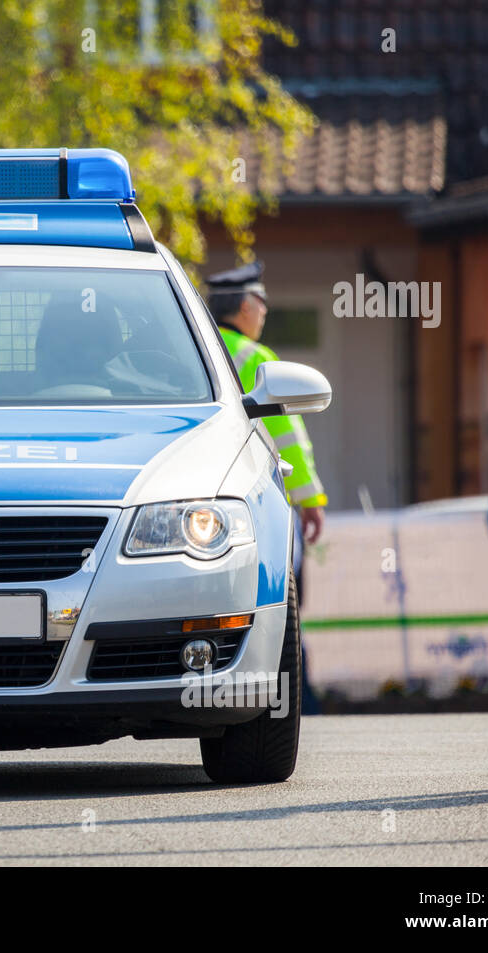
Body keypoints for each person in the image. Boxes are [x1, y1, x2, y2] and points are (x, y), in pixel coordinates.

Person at [207, 262, 326, 714]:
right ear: (245, 306)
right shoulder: (255, 356)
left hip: (207, 505)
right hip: (261, 500)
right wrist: (309, 497)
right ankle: (295, 699)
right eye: (263, 305)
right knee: (284, 602)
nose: (264, 314)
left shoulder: (196, 346)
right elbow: (289, 437)